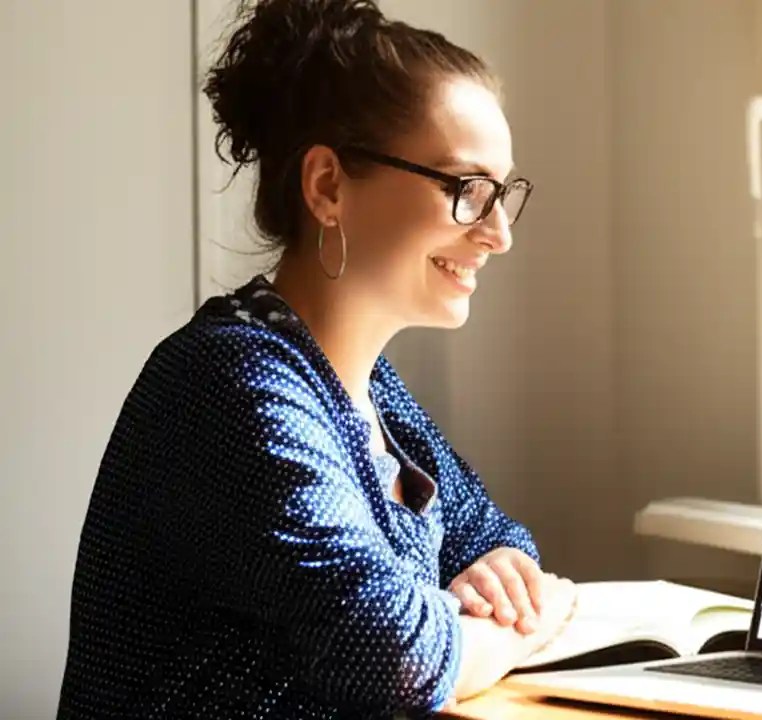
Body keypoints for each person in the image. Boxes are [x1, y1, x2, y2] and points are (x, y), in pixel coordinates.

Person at [56, 2, 575, 717]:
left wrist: (502, 582)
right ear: (327, 186)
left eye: (502, 193)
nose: (498, 233)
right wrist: (520, 632)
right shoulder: (231, 383)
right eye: (466, 189)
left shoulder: (369, 391)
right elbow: (393, 657)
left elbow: (492, 537)